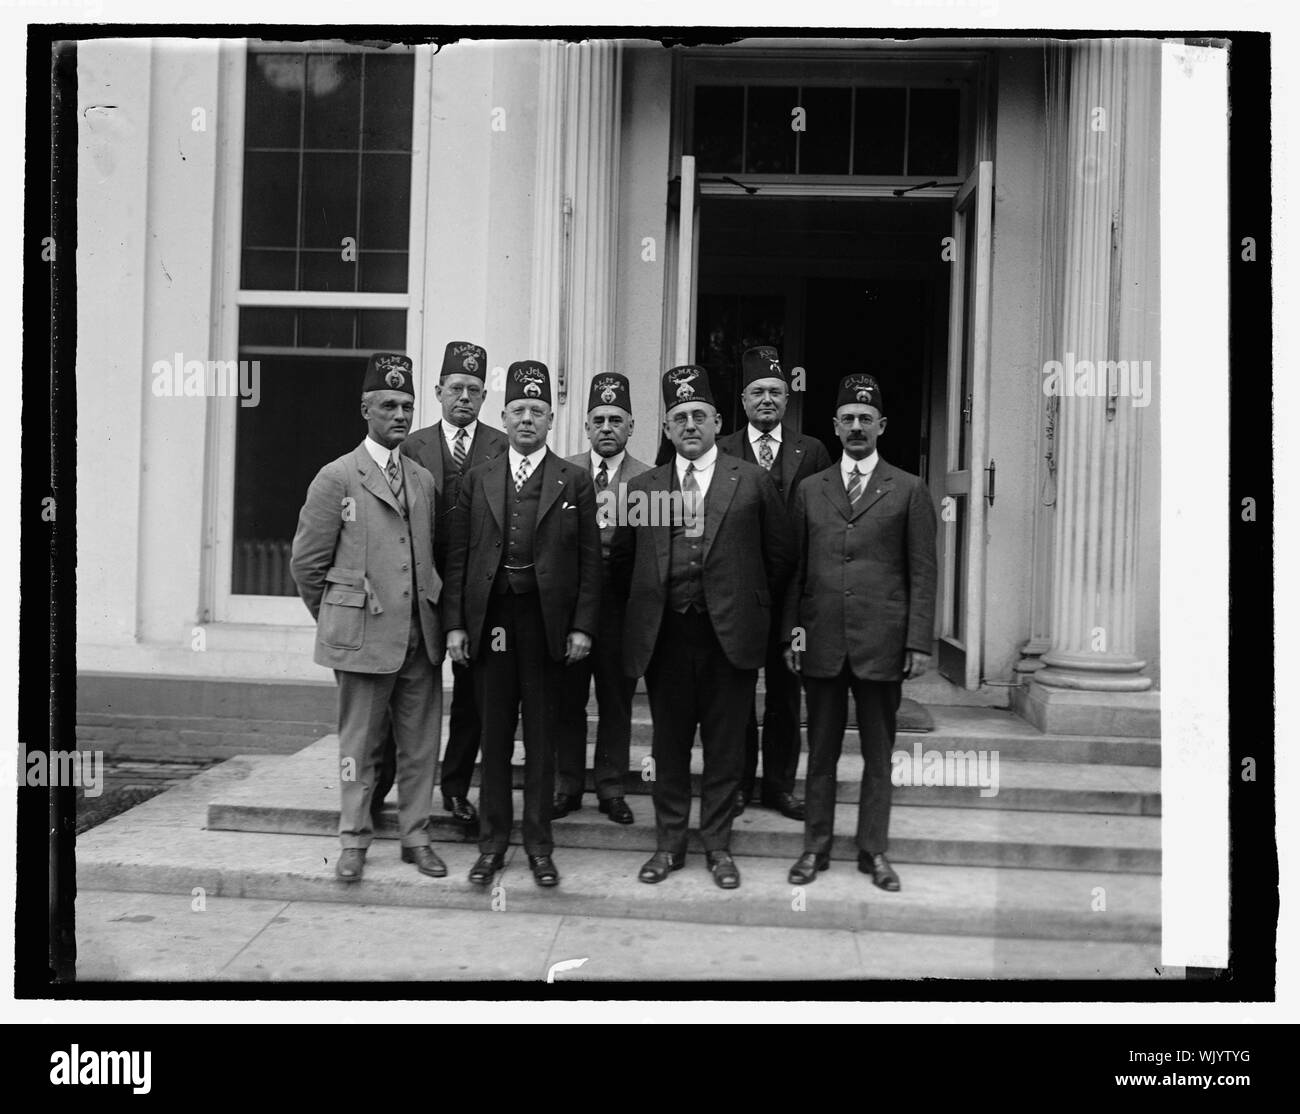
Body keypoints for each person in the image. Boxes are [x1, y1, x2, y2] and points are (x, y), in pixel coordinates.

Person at [611, 365, 794, 890]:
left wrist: (749, 609)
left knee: (725, 747)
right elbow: (625, 562)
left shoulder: (752, 481)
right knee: (668, 747)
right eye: (678, 418)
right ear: (666, 429)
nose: (689, 425)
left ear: (717, 421)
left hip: (729, 636)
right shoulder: (646, 487)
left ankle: (718, 846)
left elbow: (779, 558)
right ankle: (669, 846)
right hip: (667, 636)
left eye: (699, 415)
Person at [442, 361, 602, 888]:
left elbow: (589, 563)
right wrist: (457, 628)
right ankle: (491, 845)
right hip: (491, 620)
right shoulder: (477, 478)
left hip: (545, 621)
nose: (527, 419)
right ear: (504, 416)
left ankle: (538, 845)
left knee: (541, 736)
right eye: (518, 410)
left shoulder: (573, 479)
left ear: (551, 420)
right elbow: (461, 558)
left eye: (537, 411)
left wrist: (581, 627)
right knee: (494, 734)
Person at [289, 352, 446, 883]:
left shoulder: (423, 480)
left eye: (407, 405)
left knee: (422, 746)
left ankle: (416, 836)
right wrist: (340, 615)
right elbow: (308, 564)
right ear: (365, 409)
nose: (400, 415)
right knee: (359, 746)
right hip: (363, 640)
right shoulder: (337, 478)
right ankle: (354, 839)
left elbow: (430, 555)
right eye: (388, 405)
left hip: (419, 637)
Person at [781, 374, 937, 892]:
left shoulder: (910, 489)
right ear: (834, 425)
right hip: (821, 643)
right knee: (820, 753)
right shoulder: (810, 489)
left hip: (882, 645)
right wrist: (793, 639)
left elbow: (922, 571)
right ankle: (814, 848)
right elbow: (795, 572)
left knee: (877, 753)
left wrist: (916, 641)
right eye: (846, 419)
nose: (855, 427)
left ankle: (874, 851)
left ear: (882, 426)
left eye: (865, 420)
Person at [369, 342, 509, 833]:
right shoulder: (411, 445)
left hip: (480, 591)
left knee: (472, 695)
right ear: (438, 392)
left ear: (485, 395)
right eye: (455, 388)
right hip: (419, 590)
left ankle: (453, 789)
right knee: (399, 690)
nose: (464, 397)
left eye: (473, 389)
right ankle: (378, 788)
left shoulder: (503, 445)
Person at [717, 345, 832, 821]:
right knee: (738, 690)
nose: (767, 400)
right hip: (739, 591)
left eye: (775, 393)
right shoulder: (721, 449)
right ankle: (740, 781)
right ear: (742, 401)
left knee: (787, 693)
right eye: (757, 393)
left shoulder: (813, 451)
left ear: (788, 399)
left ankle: (780, 786)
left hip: (792, 596)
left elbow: (822, 519)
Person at [553, 373, 650, 825]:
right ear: (586, 427)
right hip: (572, 604)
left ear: (631, 427)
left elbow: (655, 548)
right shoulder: (562, 472)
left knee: (615, 699)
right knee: (568, 698)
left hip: (621, 606)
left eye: (617, 419)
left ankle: (611, 787)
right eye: (599, 419)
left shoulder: (649, 480)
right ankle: (567, 785)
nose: (607, 427)